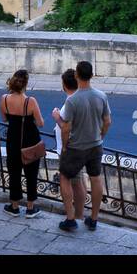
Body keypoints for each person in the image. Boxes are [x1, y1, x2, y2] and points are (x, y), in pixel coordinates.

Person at [55, 59, 111, 233]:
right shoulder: (102, 96)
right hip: (96, 145)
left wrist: (65, 146)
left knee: (64, 176)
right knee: (95, 179)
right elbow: (107, 121)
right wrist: (101, 136)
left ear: (77, 75)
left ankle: (70, 218)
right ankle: (93, 219)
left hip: (76, 147)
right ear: (92, 75)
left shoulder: (73, 100)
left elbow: (66, 128)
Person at [0, 69, 45, 216]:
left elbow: (4, 119)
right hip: (30, 141)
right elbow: (40, 123)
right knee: (31, 173)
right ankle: (30, 208)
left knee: (14, 172)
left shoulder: (4, 99)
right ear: (25, 84)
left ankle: (14, 206)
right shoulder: (30, 101)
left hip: (13, 139)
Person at [53, 68, 85, 224]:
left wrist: (57, 117)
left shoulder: (70, 103)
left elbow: (66, 127)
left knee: (68, 181)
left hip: (70, 149)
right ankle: (79, 214)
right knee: (79, 181)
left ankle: (72, 217)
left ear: (64, 85)